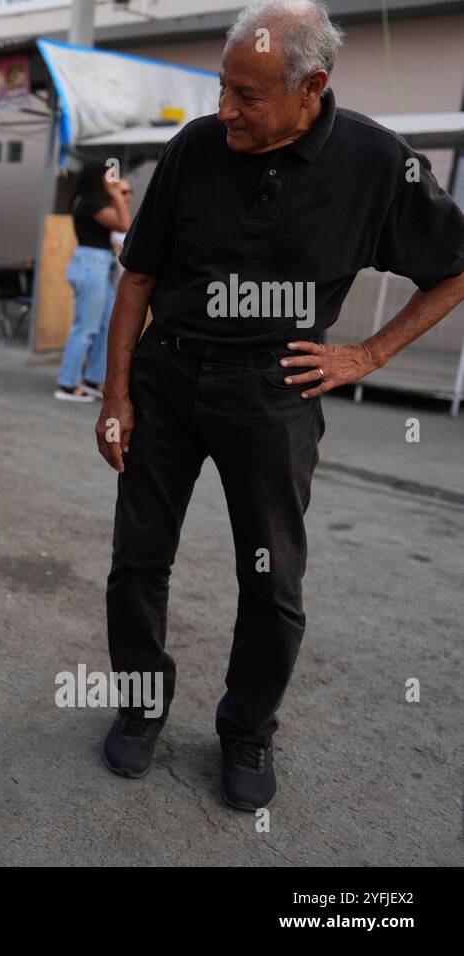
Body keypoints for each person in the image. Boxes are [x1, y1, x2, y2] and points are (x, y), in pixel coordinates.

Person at [95, 0, 464, 810]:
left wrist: (369, 353)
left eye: (247, 97)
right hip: (169, 377)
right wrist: (116, 391)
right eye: (223, 88)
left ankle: (248, 729)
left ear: (311, 88)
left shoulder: (377, 163)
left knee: (271, 578)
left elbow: (454, 267)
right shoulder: (196, 146)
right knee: (137, 561)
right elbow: (141, 276)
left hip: (276, 392)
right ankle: (140, 706)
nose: (225, 109)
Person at [54, 162, 131, 403]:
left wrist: (115, 195)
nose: (113, 181)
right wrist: (117, 195)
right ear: (97, 179)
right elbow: (124, 225)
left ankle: (92, 379)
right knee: (85, 327)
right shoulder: (90, 203)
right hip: (91, 265)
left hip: (96, 264)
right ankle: (67, 384)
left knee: (106, 326)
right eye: (109, 177)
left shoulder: (89, 202)